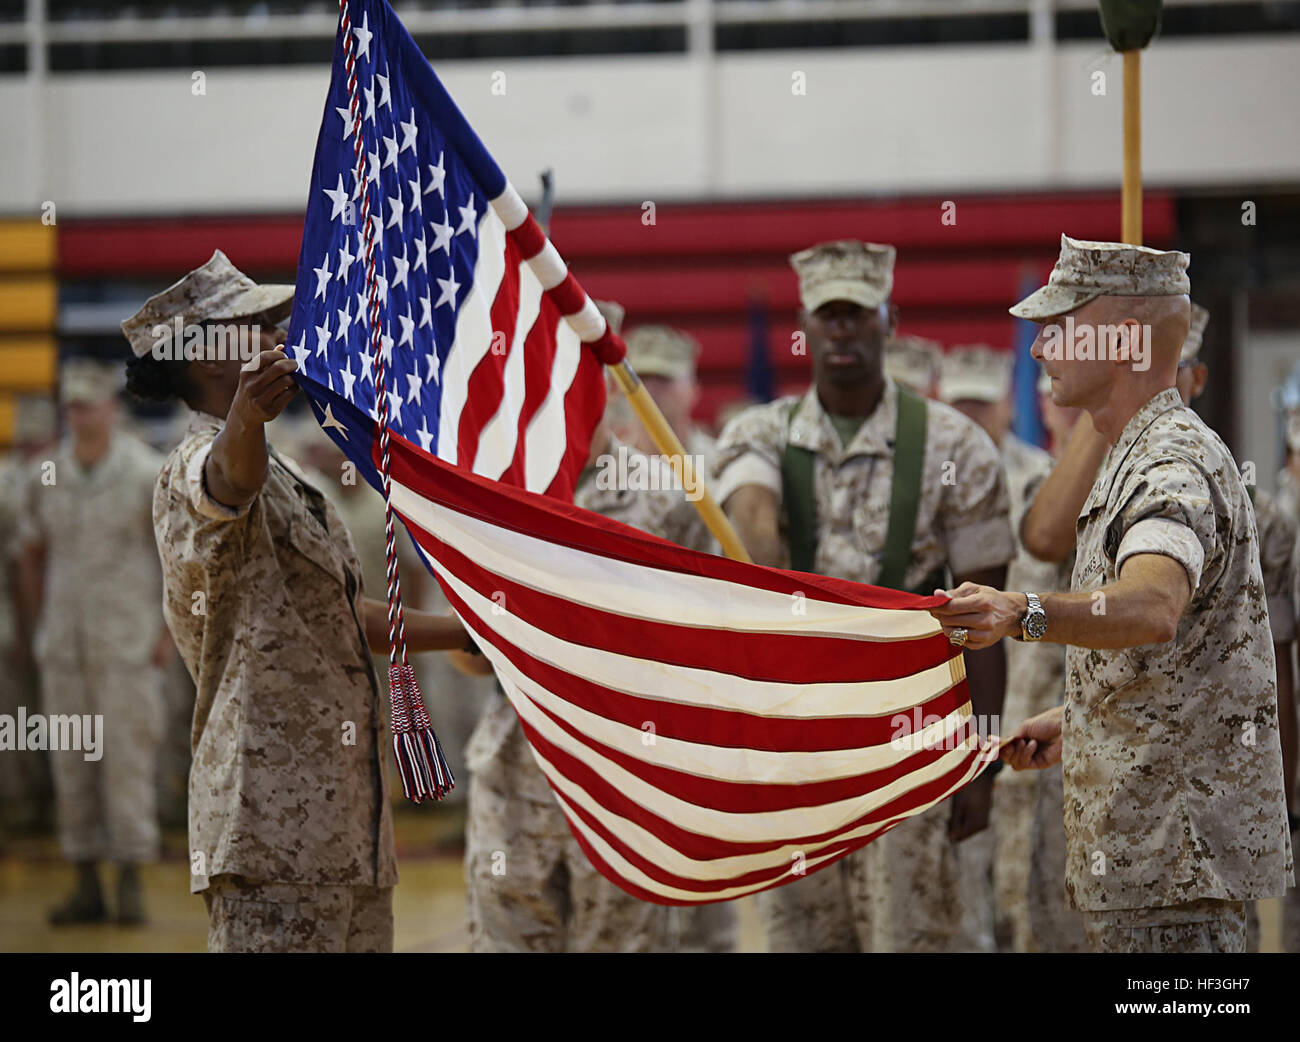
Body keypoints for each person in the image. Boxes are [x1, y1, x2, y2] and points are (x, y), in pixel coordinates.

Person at [932, 235, 1295, 953]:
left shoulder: (1169, 460)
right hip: (1152, 860)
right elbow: (1187, 660)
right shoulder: (1133, 455)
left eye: (1061, 327)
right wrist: (1086, 720)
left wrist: (1020, 613)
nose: (1038, 350)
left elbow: (1153, 605)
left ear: (1125, 340)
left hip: (1172, 867)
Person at [121, 249, 471, 952]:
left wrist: (468, 632)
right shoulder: (194, 463)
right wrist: (245, 420)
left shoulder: (285, 475)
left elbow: (345, 619)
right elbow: (227, 479)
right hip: (270, 829)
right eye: (256, 325)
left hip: (346, 825)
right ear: (211, 355)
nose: (279, 336)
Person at [714, 240, 1014, 952]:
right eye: (828, 315)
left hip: (913, 745)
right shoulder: (760, 433)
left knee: (911, 936)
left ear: (890, 320)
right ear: (806, 327)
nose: (842, 330)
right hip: (800, 752)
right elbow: (748, 520)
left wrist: (985, 759)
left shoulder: (956, 446)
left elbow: (986, 623)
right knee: (803, 938)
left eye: (858, 314)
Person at [937, 345, 1084, 952]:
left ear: (1006, 404)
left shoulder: (1041, 484)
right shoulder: (938, 485)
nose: (973, 418)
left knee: (1042, 907)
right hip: (972, 715)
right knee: (974, 908)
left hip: (1043, 719)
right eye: (960, 404)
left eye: (982, 402)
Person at [14, 359, 169, 926]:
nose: (80, 414)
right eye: (71, 405)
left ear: (110, 406)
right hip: (65, 645)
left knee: (127, 761)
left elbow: (170, 559)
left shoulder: (144, 472)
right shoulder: (45, 475)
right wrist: (39, 628)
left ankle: (130, 880)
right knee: (71, 765)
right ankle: (85, 881)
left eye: (89, 404)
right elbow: (31, 552)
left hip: (127, 642)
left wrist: (165, 634)